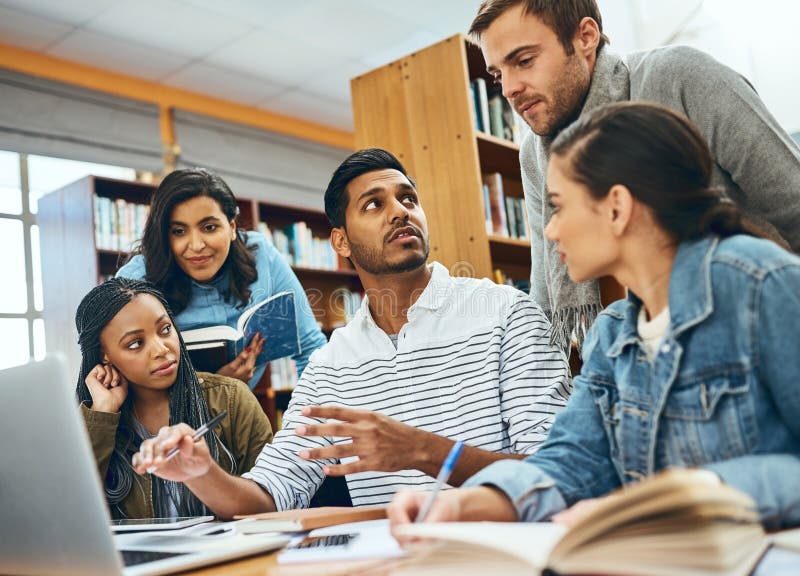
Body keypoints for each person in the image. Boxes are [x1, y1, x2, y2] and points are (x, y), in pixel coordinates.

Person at [388, 103, 800, 531]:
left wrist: (681, 496)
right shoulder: (613, 335)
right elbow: (571, 462)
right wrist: (466, 504)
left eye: (559, 207)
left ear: (616, 207)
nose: (550, 230)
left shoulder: (762, 285)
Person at [131, 148, 571, 519]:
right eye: (374, 205)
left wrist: (423, 450)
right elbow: (268, 496)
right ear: (340, 242)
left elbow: (561, 471)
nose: (400, 211)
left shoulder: (505, 313)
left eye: (408, 198)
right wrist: (201, 472)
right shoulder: (331, 364)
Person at [469, 0, 800, 354]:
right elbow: (545, 297)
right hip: (637, 354)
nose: (508, 89)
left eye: (524, 61)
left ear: (585, 37)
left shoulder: (680, 77)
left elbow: (793, 201)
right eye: (498, 75)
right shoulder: (534, 156)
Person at [76, 277, 273, 519]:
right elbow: (71, 515)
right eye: (135, 343)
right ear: (104, 355)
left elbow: (270, 502)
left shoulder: (231, 400)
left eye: (165, 330)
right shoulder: (93, 421)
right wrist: (102, 414)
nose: (162, 349)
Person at [116, 168, 327, 389]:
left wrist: (309, 410)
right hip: (167, 411)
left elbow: (311, 347)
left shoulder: (261, 255)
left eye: (209, 228)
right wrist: (216, 388)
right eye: (178, 231)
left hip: (244, 408)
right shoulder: (135, 280)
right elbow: (122, 380)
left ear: (232, 227)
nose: (196, 245)